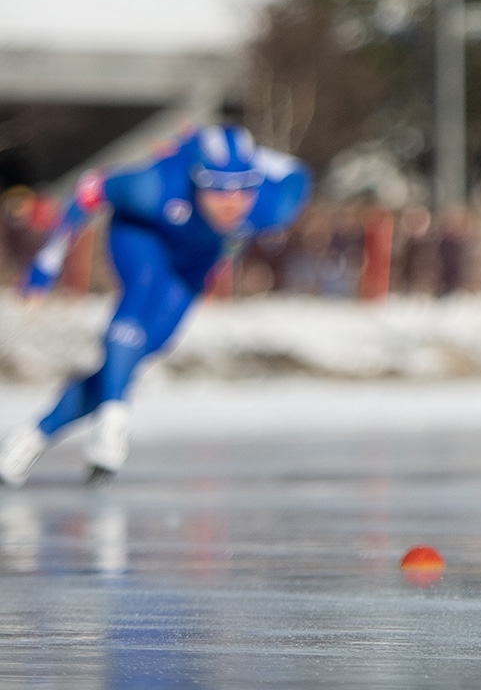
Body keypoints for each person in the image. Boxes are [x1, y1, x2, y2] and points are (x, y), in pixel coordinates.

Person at [0, 124, 311, 486]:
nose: (232, 203)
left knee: (139, 352)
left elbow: (298, 173)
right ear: (196, 181)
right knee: (137, 304)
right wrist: (45, 264)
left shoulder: (273, 205)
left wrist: (261, 158)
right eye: (217, 190)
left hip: (194, 259)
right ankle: (113, 422)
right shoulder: (154, 186)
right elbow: (90, 189)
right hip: (141, 235)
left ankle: (31, 437)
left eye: (244, 189)